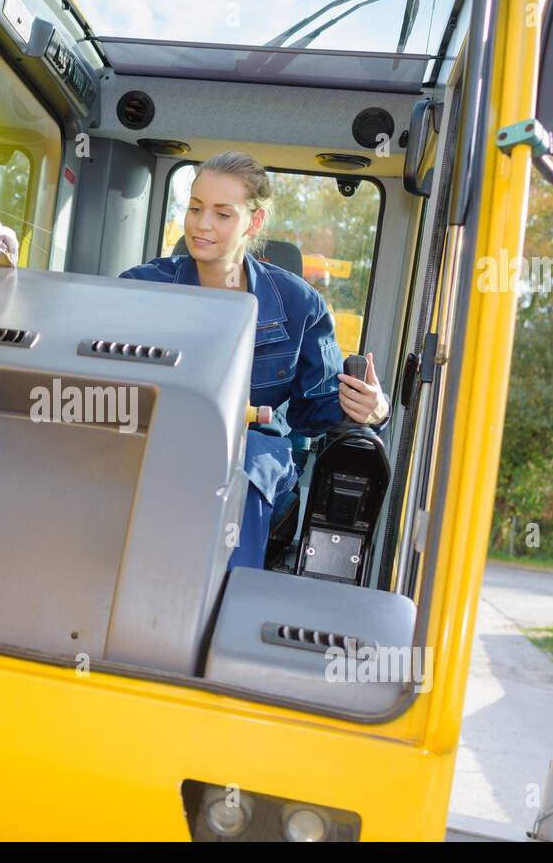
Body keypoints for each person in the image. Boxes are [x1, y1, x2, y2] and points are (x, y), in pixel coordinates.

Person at [120, 151, 389, 570]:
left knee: (241, 468)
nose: (202, 224)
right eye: (195, 208)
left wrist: (374, 408)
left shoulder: (300, 304)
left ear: (254, 221)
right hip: (159, 439)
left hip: (251, 453)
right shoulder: (141, 287)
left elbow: (312, 412)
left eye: (222, 214)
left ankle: (222, 606)